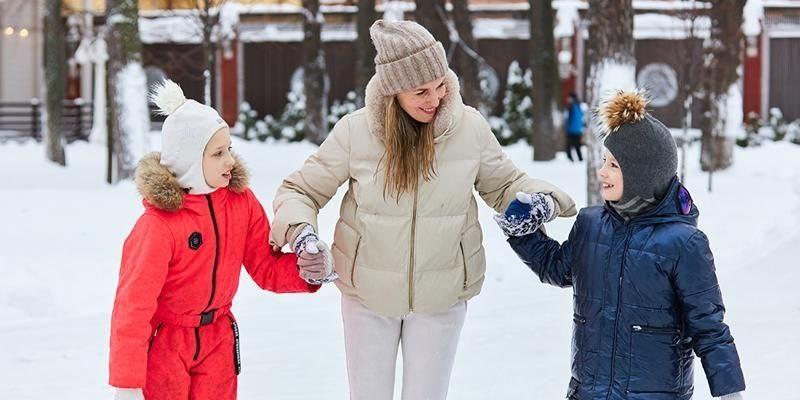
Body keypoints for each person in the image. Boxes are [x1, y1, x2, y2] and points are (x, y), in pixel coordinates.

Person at [269, 19, 576, 400]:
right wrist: (302, 234)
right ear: (393, 90)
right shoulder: (356, 132)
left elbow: (506, 184)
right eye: (420, 91)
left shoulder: (468, 129)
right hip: (367, 294)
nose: (435, 98)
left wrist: (542, 199)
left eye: (439, 85)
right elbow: (300, 190)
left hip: (441, 296)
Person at [494, 90, 746, 400]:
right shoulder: (590, 225)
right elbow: (555, 269)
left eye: (613, 164)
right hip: (589, 392)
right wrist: (523, 232)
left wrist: (730, 392)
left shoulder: (684, 243)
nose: (602, 172)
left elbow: (709, 327)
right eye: (603, 161)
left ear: (642, 173)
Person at [108, 80, 334, 400]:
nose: (229, 160)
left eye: (228, 148)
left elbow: (265, 265)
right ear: (189, 161)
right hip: (167, 345)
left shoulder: (240, 203)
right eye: (217, 153)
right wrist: (127, 382)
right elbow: (132, 307)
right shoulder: (158, 226)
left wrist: (307, 270)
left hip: (218, 340)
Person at [565, 92, 584, 162]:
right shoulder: (578, 105)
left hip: (571, 130)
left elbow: (568, 118)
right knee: (577, 146)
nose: (568, 99)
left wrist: (567, 127)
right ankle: (580, 158)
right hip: (578, 130)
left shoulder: (571, 106)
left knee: (568, 145)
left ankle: (570, 159)